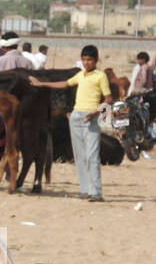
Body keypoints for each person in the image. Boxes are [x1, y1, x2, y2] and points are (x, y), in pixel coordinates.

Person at [31, 45, 115, 202]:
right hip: (76, 117)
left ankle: (96, 192)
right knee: (80, 156)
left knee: (92, 156)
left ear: (96, 60)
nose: (86, 62)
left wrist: (97, 114)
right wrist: (41, 84)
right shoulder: (81, 75)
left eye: (89, 59)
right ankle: (85, 191)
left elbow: (108, 99)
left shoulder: (100, 76)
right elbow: (64, 84)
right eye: (84, 59)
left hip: (91, 117)